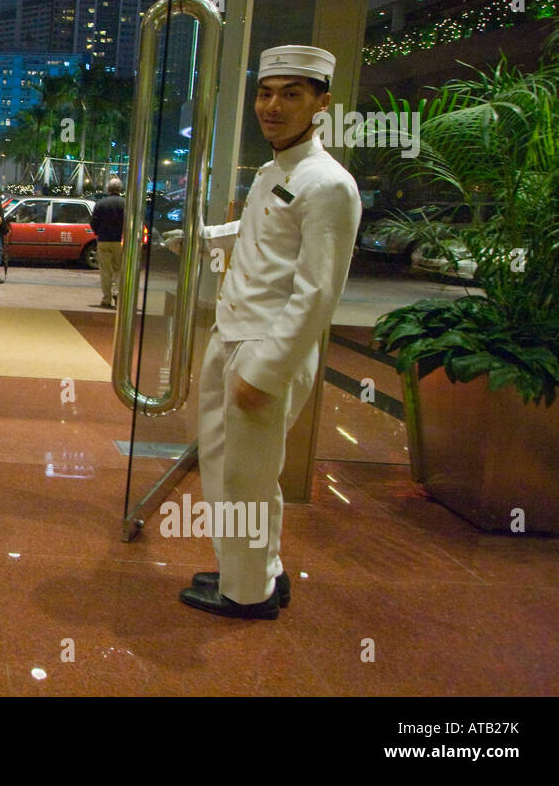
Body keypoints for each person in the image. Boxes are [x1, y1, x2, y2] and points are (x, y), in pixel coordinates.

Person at [162, 45, 360, 619]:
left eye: (291, 95)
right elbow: (259, 231)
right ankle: (254, 570)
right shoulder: (275, 170)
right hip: (233, 330)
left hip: (266, 345)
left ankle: (247, 593)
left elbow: (318, 292)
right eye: (265, 93)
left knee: (245, 478)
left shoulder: (329, 184)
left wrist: (267, 370)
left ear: (322, 103)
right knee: (229, 470)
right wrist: (203, 238)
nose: (272, 106)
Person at [90, 177, 125, 308]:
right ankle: (117, 293)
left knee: (105, 271)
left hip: (104, 240)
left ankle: (107, 298)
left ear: (108, 189)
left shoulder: (100, 203)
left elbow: (93, 222)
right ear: (120, 189)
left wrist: (99, 233)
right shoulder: (125, 203)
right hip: (120, 241)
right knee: (119, 269)